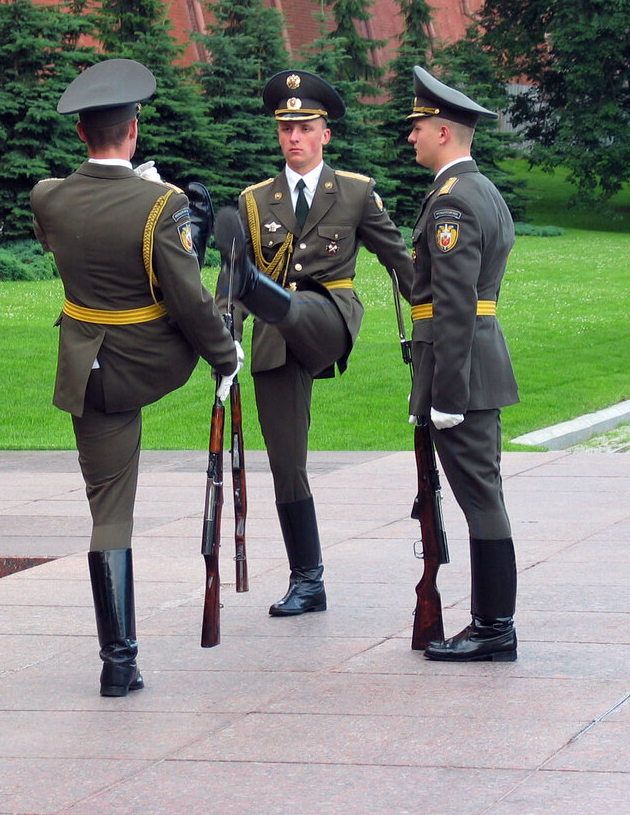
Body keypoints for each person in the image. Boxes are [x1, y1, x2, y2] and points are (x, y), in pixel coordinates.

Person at [31, 58, 242, 697]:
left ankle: (117, 661)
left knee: (109, 513)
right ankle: (119, 657)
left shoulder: (48, 197)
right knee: (194, 304)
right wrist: (225, 355)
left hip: (84, 368)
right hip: (147, 362)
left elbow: (75, 227)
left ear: (80, 135)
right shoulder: (162, 204)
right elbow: (186, 299)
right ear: (134, 129)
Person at [214, 69, 413, 617]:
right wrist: (223, 339)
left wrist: (439, 316)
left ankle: (270, 294)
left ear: (326, 133)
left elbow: (400, 262)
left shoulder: (354, 191)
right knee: (285, 462)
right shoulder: (254, 201)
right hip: (276, 338)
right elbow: (227, 287)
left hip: (330, 317)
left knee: (292, 303)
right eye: (286, 128)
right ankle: (308, 579)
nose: (294, 137)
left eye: (305, 127)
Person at [404, 65, 519, 662]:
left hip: (464, 375)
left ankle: (494, 627)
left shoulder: (452, 203)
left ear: (443, 132)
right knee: (483, 493)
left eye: (418, 126)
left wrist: (445, 394)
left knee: (479, 498)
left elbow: (451, 307)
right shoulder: (482, 191)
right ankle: (492, 623)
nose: (412, 136)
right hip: (474, 364)